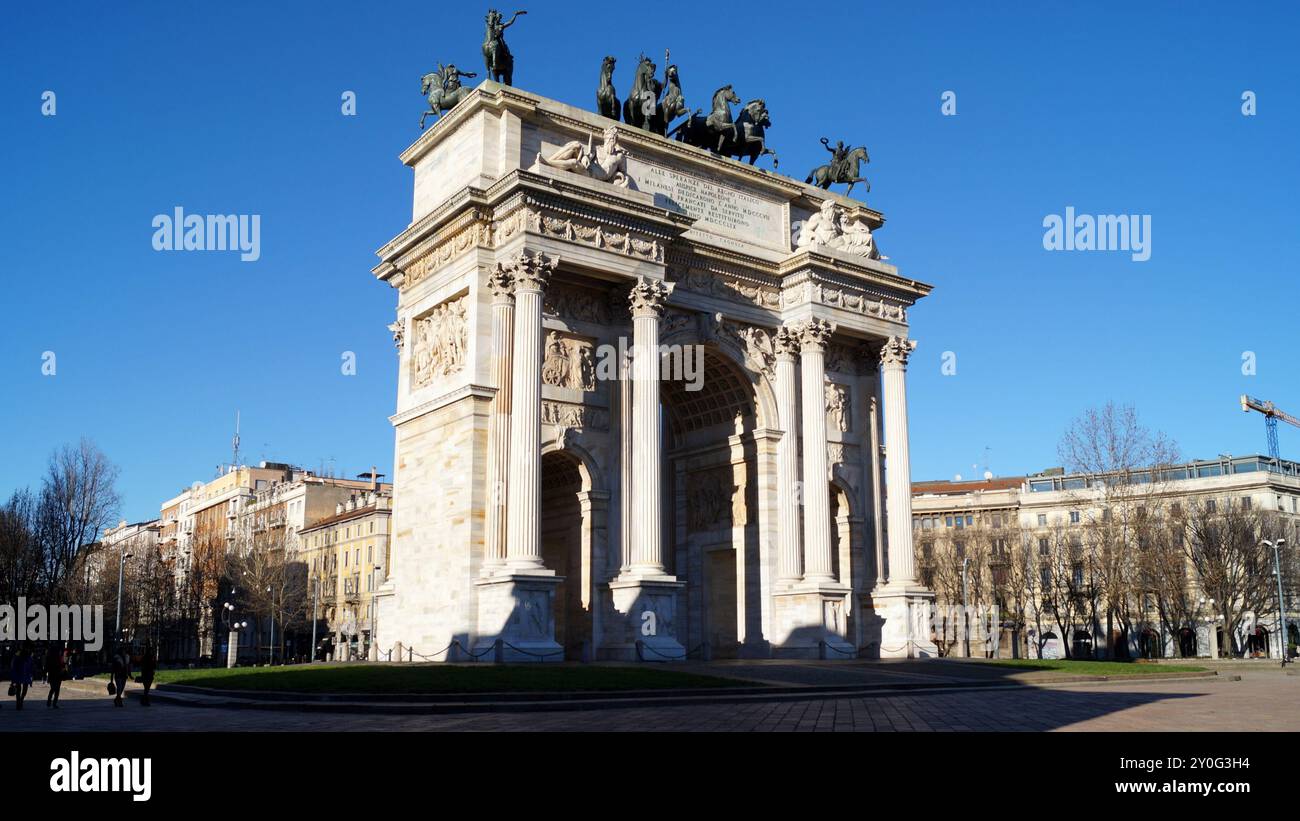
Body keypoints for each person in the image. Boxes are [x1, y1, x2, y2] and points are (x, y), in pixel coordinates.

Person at [10, 642, 34, 710]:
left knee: (21, 689)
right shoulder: (21, 655)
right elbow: (14, 665)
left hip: (22, 674)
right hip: (21, 674)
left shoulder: (27, 655)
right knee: (21, 689)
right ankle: (20, 701)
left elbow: (31, 665)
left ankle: (19, 701)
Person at [45, 641, 65, 708]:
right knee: (54, 688)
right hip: (54, 673)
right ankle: (51, 701)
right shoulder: (51, 656)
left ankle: (52, 702)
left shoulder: (58, 656)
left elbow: (62, 664)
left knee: (55, 689)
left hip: (56, 673)